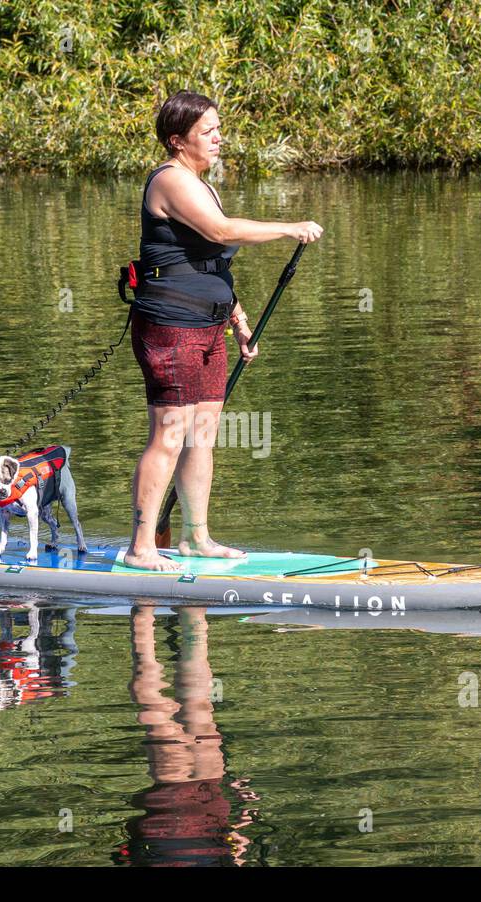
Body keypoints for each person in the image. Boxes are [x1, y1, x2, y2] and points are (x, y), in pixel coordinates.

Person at [122, 90, 323, 572]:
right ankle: (141, 548)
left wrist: (237, 319)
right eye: (207, 131)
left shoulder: (199, 182)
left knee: (203, 433)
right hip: (170, 327)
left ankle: (195, 539)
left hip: (208, 325)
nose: (218, 138)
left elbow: (206, 263)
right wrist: (288, 227)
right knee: (169, 434)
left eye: (218, 128)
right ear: (177, 140)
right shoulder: (171, 181)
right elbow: (219, 232)